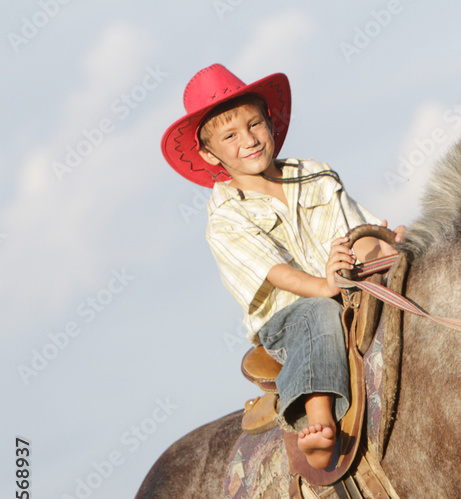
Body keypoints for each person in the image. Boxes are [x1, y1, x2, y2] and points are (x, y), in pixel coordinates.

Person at [161, 63, 402, 469]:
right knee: (318, 313)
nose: (249, 140)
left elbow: (356, 231)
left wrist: (382, 245)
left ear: (269, 122)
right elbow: (274, 272)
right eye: (230, 136)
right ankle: (317, 414)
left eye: (254, 124)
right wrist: (324, 286)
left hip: (350, 290)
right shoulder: (225, 216)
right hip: (290, 318)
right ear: (208, 152)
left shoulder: (315, 174)